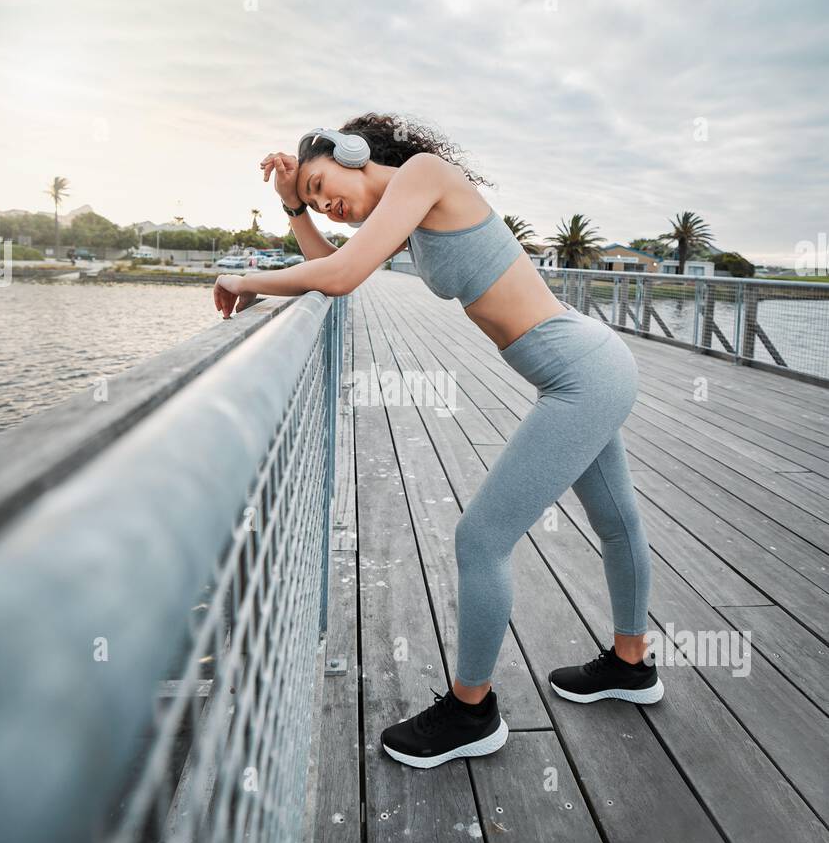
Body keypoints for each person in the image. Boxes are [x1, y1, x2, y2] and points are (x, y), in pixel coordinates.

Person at [213, 114, 662, 769]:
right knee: (616, 520)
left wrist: (240, 280)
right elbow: (333, 265)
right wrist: (289, 204)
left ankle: (471, 711)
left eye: (320, 184)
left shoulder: (424, 175)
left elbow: (337, 277)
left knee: (480, 538)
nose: (325, 205)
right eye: (312, 201)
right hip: (580, 369)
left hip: (581, 372)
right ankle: (631, 665)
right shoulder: (410, 214)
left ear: (353, 152)